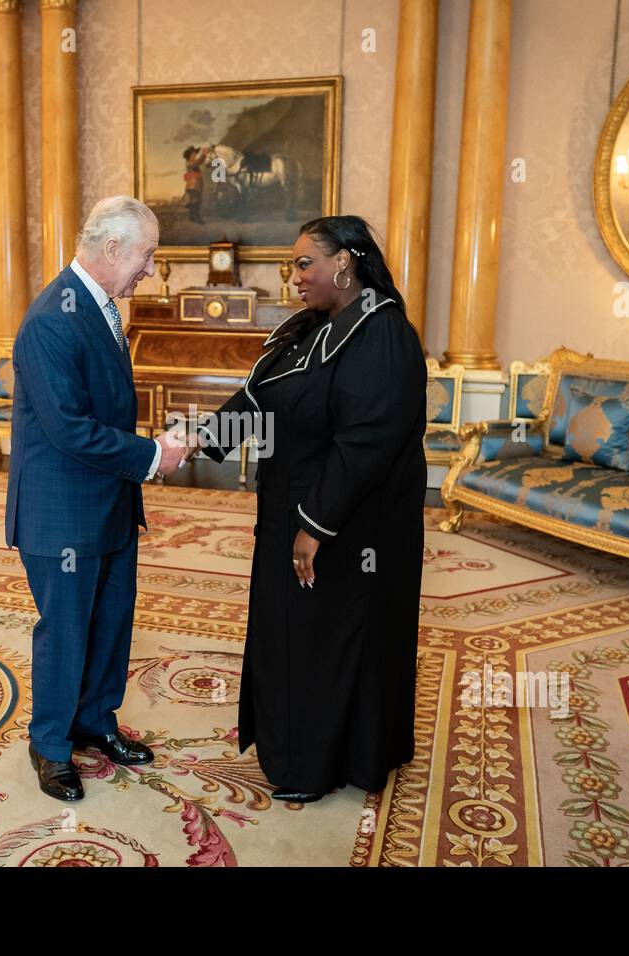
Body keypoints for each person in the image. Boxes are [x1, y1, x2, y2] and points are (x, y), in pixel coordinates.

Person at [189, 214, 428, 802]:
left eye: (304, 263)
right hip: (288, 513)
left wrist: (313, 526)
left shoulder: (384, 334)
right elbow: (257, 397)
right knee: (287, 632)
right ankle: (289, 747)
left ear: (344, 261)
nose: (293, 275)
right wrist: (190, 442)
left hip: (348, 529)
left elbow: (366, 442)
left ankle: (317, 764)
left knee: (327, 639)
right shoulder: (308, 329)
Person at [6, 195, 188, 801]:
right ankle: (51, 745)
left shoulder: (98, 305)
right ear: (113, 249)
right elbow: (69, 428)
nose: (150, 269)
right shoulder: (53, 317)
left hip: (107, 503)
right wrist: (150, 456)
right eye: (148, 255)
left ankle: (95, 722)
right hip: (61, 514)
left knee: (111, 622)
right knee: (66, 631)